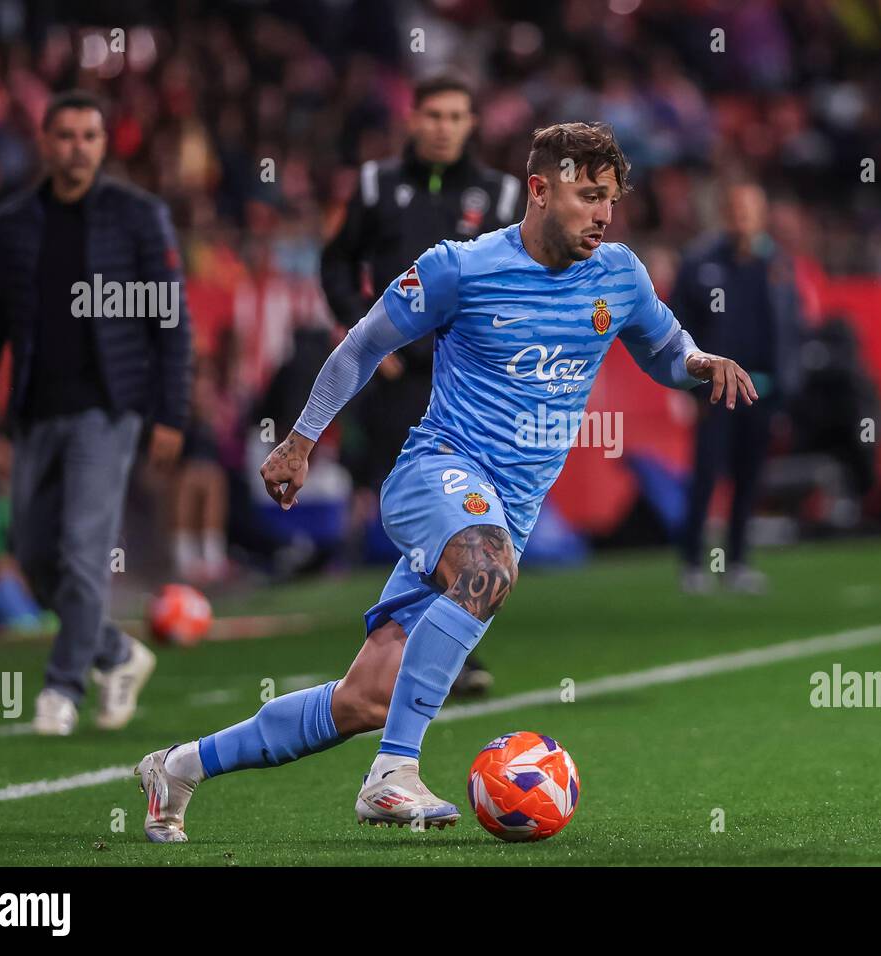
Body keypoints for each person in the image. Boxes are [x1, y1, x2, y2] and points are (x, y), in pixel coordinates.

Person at [135, 122, 758, 841]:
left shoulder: (618, 274)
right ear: (538, 189)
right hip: (436, 474)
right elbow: (363, 345)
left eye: (610, 200)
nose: (603, 216)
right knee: (490, 568)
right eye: (588, 197)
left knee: (363, 699)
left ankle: (179, 768)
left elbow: (663, 346)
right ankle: (392, 774)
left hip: (505, 512)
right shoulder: (458, 269)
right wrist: (300, 441)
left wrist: (700, 362)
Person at [0, 89, 192, 735]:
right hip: (33, 412)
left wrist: (171, 412)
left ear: (104, 143)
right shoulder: (15, 222)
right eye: (65, 135)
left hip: (108, 411)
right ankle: (115, 653)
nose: (77, 147)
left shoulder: (138, 216)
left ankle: (60, 690)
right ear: (44, 142)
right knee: (33, 558)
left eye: (89, 135)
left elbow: (170, 321)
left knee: (84, 551)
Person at [322, 75, 522, 696]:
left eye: (456, 115)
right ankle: (420, 643)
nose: (443, 126)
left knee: (467, 514)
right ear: (413, 119)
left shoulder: (503, 192)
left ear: (472, 124)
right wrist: (364, 334)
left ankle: (439, 644)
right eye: (433, 114)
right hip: (399, 376)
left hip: (471, 385)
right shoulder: (378, 184)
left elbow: (525, 278)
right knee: (411, 511)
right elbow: (335, 261)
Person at [673, 181, 800, 594]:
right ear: (726, 213)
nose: (743, 217)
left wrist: (786, 384)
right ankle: (693, 560)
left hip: (760, 390)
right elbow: (677, 326)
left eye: (750, 208)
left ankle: (738, 561)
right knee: (707, 475)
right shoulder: (701, 262)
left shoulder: (777, 265)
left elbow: (790, 329)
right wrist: (693, 384)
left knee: (749, 478)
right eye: (736, 208)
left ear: (762, 214)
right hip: (714, 390)